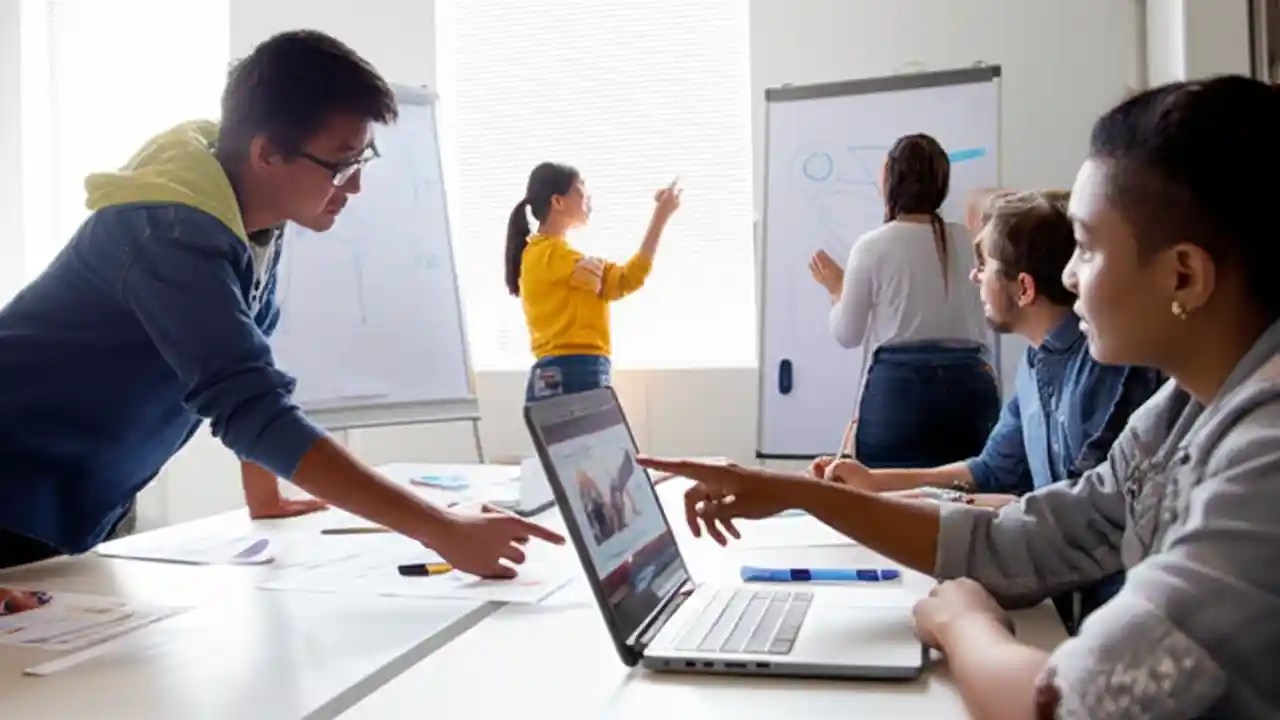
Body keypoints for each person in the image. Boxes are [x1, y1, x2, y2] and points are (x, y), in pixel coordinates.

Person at [641, 75, 1280, 718]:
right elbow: (1035, 533)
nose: (1066, 275)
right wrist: (798, 492)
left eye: (1086, 249)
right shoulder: (1178, 411)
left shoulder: (1264, 454)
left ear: (1184, 276)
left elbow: (1079, 706)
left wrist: (964, 625)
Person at [0, 30, 562, 577]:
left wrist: (265, 496)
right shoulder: (168, 234)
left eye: (363, 159)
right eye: (341, 164)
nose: (354, 186)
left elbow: (244, 361)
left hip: (73, 509)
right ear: (266, 153)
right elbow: (250, 406)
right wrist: (441, 528)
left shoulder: (254, 220)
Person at [812, 190, 1163, 632]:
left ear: (1024, 288)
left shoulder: (1105, 368)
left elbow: (1070, 511)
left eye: (985, 264)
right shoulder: (1037, 360)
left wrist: (888, 504)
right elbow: (992, 470)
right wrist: (875, 483)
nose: (974, 276)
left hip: (1120, 614)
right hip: (1067, 600)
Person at [807, 133, 997, 467]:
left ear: (891, 181)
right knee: (967, 493)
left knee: (886, 495)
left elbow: (848, 334)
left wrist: (837, 288)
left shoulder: (871, 246)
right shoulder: (971, 241)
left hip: (897, 400)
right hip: (971, 394)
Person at [506, 163, 680, 401]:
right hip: (576, 371)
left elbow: (625, 279)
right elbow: (627, 278)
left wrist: (661, 215)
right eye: (580, 191)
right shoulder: (554, 257)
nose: (588, 199)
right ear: (558, 202)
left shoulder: (541, 255)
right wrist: (660, 217)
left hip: (560, 372)